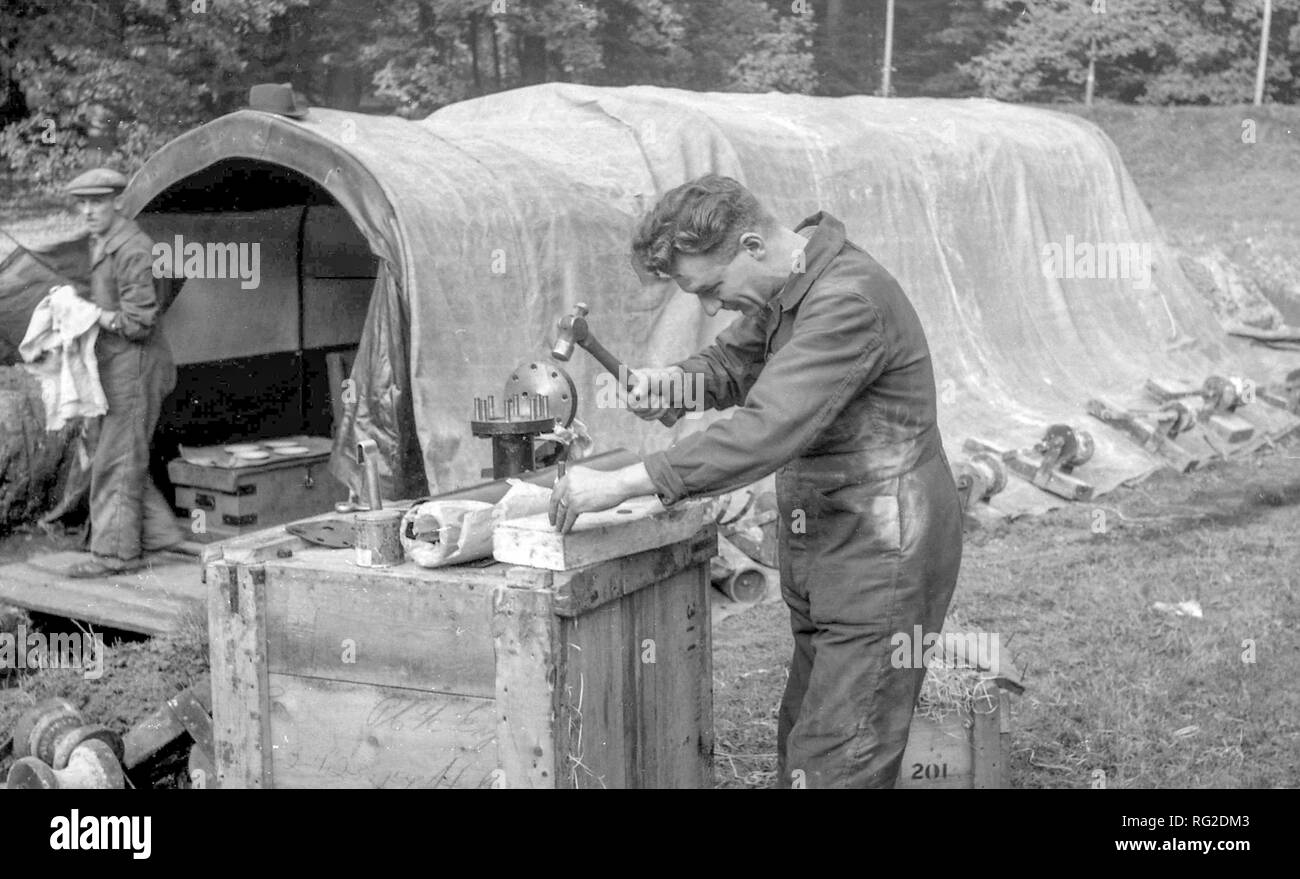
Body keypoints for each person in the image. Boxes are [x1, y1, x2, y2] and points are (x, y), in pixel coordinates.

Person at [548, 174, 963, 788]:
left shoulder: (847, 300)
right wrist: (673, 384)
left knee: (840, 756)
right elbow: (732, 362)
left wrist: (623, 483)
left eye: (712, 289)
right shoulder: (789, 284)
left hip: (884, 552)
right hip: (831, 541)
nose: (711, 308)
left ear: (750, 245)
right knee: (807, 731)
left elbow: (766, 430)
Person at [62, 167, 182, 577]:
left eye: (96, 203)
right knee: (118, 454)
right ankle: (161, 537)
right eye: (83, 203)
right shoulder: (104, 243)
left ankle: (115, 555)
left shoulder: (132, 248)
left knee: (118, 458)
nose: (88, 211)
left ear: (115, 203)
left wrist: (95, 315)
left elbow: (139, 322)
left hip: (137, 366)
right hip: (115, 367)